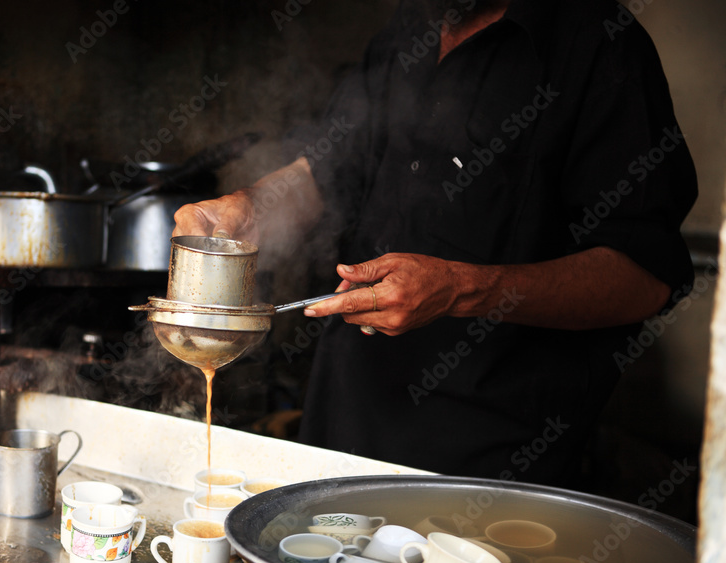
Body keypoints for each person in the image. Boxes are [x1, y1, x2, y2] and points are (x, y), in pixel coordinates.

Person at [172, 0, 698, 488]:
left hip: (492, 469)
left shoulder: (601, 46)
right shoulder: (407, 31)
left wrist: (463, 290)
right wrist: (254, 206)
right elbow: (330, 169)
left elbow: (643, 276)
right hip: (343, 425)